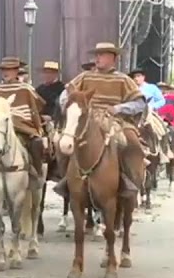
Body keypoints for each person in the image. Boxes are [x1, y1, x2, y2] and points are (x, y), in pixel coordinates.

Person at [63, 42, 147, 198]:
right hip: (86, 119)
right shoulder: (84, 77)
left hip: (114, 120)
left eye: (102, 54)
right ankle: (65, 180)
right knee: (61, 141)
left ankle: (129, 180)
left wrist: (118, 108)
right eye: (97, 54)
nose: (97, 58)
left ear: (112, 58)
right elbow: (66, 93)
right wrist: (69, 105)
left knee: (131, 142)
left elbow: (139, 103)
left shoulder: (123, 80)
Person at [35, 61, 65, 125]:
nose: (47, 75)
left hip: (56, 122)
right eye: (45, 73)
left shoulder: (62, 89)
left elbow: (62, 107)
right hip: (40, 120)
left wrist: (51, 117)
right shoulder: (39, 89)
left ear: (56, 74)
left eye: (50, 73)